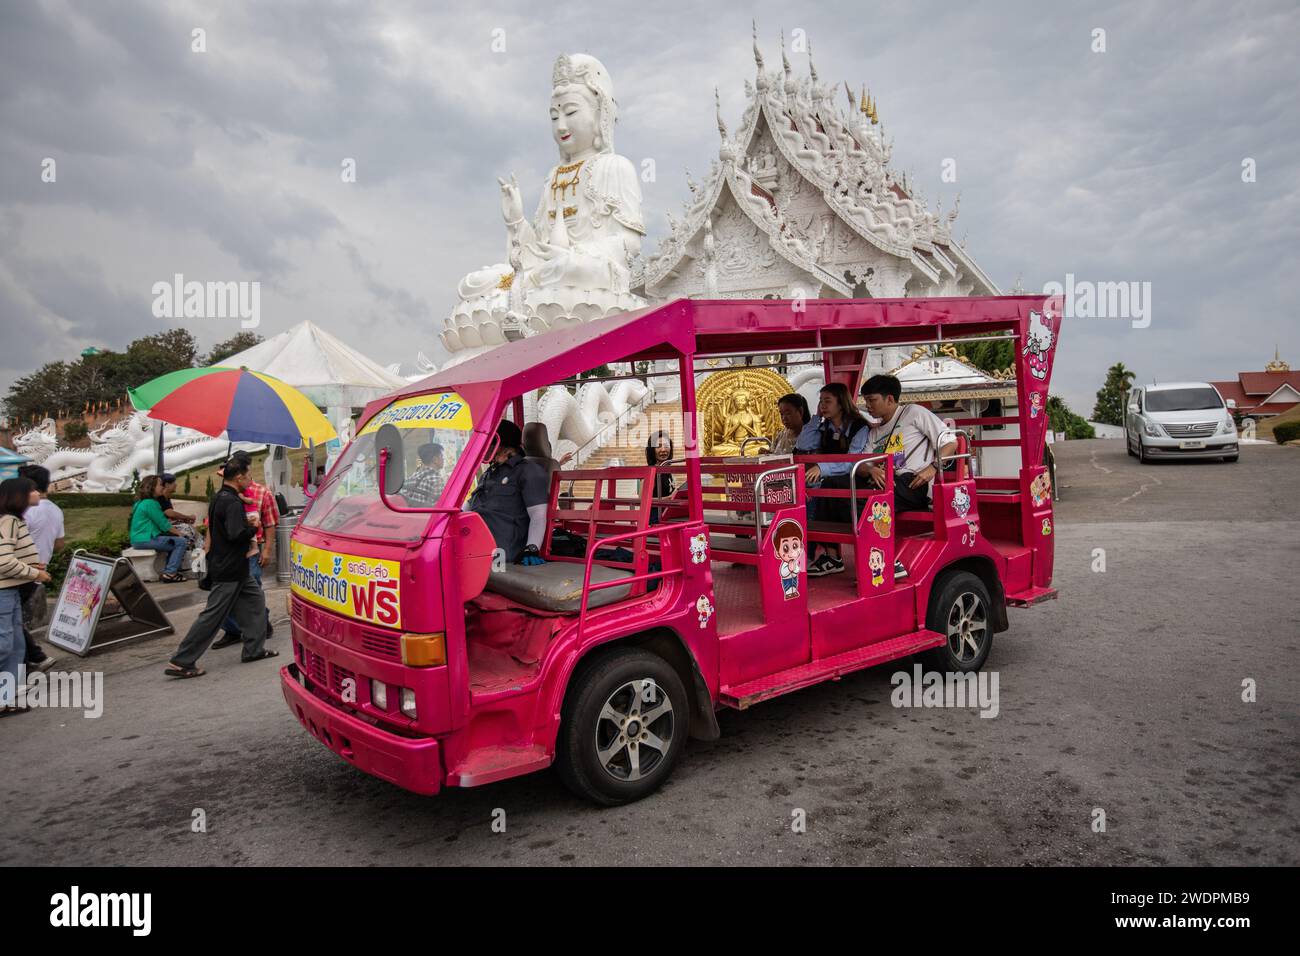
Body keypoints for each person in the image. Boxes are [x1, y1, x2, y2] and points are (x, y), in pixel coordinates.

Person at [165, 456, 276, 678]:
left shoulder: (220, 497)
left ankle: (254, 649)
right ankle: (182, 660)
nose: (249, 479)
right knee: (212, 615)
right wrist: (253, 527)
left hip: (236, 567)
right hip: (230, 568)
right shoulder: (231, 502)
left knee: (255, 601)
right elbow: (236, 534)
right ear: (238, 477)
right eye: (247, 475)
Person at [802, 382, 869, 576]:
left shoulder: (859, 426)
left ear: (841, 403)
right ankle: (823, 554)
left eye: (828, 401)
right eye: (821, 401)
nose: (823, 405)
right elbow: (804, 443)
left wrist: (822, 468)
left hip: (855, 476)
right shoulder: (824, 427)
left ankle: (834, 552)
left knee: (827, 488)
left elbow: (853, 461)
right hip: (828, 478)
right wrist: (816, 418)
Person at [211, 452, 276, 650]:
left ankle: (259, 629)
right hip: (228, 554)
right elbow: (214, 524)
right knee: (233, 596)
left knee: (253, 592)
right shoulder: (224, 495)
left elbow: (270, 524)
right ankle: (235, 631)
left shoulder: (262, 493)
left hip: (251, 553)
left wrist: (266, 551)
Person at [467, 420, 549, 567]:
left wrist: (532, 548)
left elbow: (538, 514)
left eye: (491, 444)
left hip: (500, 550)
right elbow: (469, 505)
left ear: (506, 447)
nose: (485, 448)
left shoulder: (529, 471)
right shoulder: (490, 472)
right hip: (473, 544)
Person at [0, 477, 51, 715]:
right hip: (4, 592)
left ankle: (6, 697)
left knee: (16, 646)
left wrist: (31, 567)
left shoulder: (14, 521)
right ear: (18, 495)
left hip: (11, 590)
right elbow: (3, 562)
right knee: (5, 645)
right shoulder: (8, 521)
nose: (37, 492)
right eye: (31, 489)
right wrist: (34, 573)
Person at [16, 465, 62, 672]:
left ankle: (28, 661)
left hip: (21, 572)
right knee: (12, 619)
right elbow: (59, 543)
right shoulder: (55, 509)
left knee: (9, 620)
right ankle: (35, 656)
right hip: (37, 571)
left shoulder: (27, 511)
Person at [129, 475, 189, 582]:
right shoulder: (151, 503)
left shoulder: (140, 502)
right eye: (160, 485)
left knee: (174, 542)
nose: (162, 487)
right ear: (152, 488)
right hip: (145, 539)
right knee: (181, 542)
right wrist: (180, 534)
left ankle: (170, 570)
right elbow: (164, 525)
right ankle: (170, 573)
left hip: (138, 539)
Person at [156, 473, 199, 546]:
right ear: (167, 485)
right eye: (174, 482)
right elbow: (169, 513)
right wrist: (188, 517)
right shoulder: (161, 497)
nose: (176, 484)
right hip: (161, 529)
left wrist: (183, 519)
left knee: (191, 529)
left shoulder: (167, 497)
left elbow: (170, 516)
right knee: (189, 531)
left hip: (164, 526)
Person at [645, 430, 675, 523]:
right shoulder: (650, 471)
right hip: (655, 519)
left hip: (667, 514)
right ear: (652, 450)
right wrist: (669, 498)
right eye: (658, 446)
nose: (663, 449)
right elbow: (642, 500)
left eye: (666, 446)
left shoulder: (667, 468)